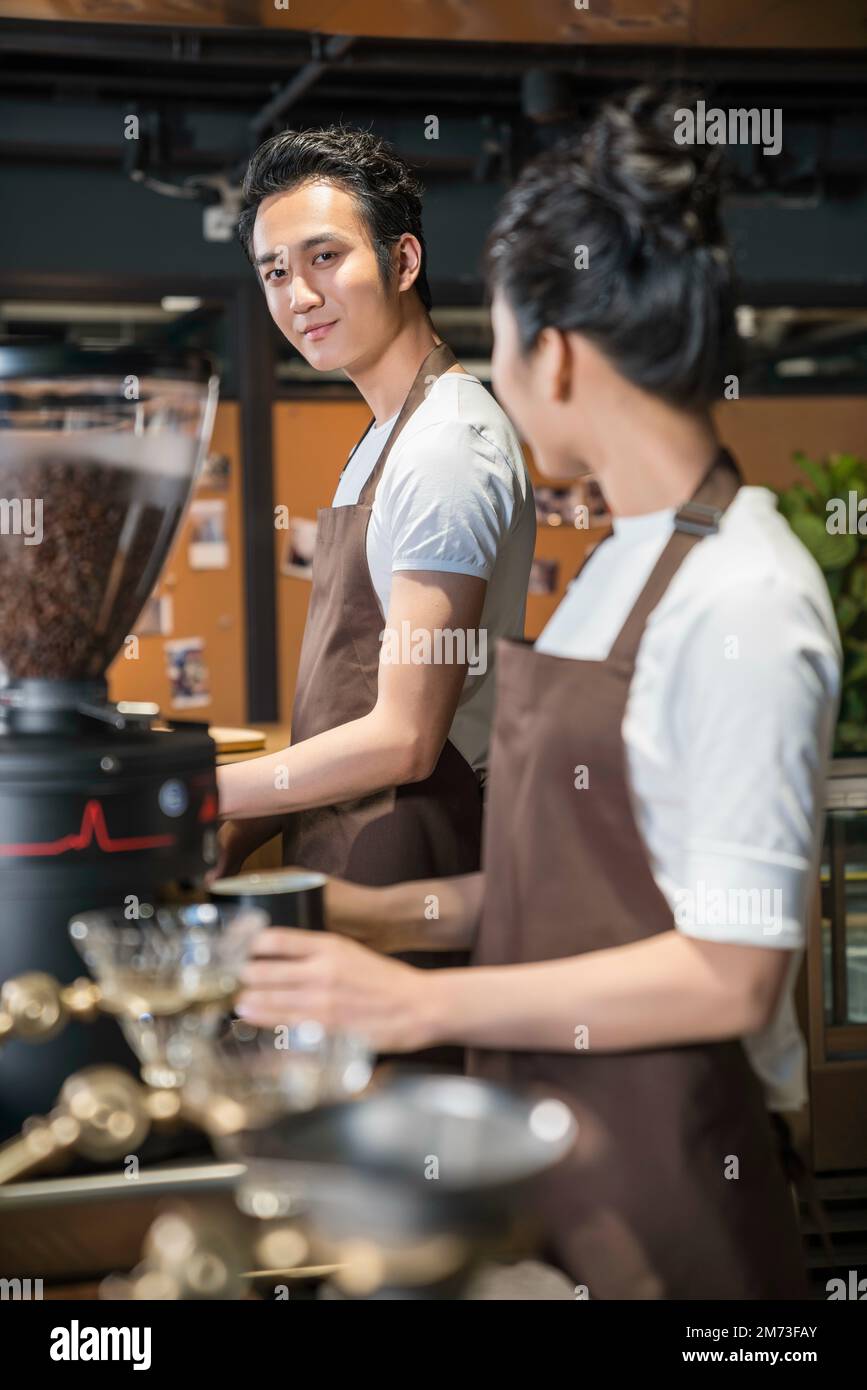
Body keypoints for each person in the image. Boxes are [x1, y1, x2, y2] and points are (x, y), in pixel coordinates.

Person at [236, 89, 841, 1298]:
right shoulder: (623, 569)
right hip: (567, 1135)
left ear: (553, 350)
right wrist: (351, 932)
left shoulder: (746, 597)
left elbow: (732, 974)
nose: (497, 380)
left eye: (506, 343)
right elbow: (574, 890)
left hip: (678, 1166)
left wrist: (406, 1009)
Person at [217, 127, 535, 913]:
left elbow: (405, 734)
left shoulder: (444, 445)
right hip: (353, 842)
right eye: (275, 271)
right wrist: (245, 820)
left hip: (416, 852)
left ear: (402, 262)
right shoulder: (383, 437)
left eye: (325, 257)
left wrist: (200, 789)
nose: (299, 295)